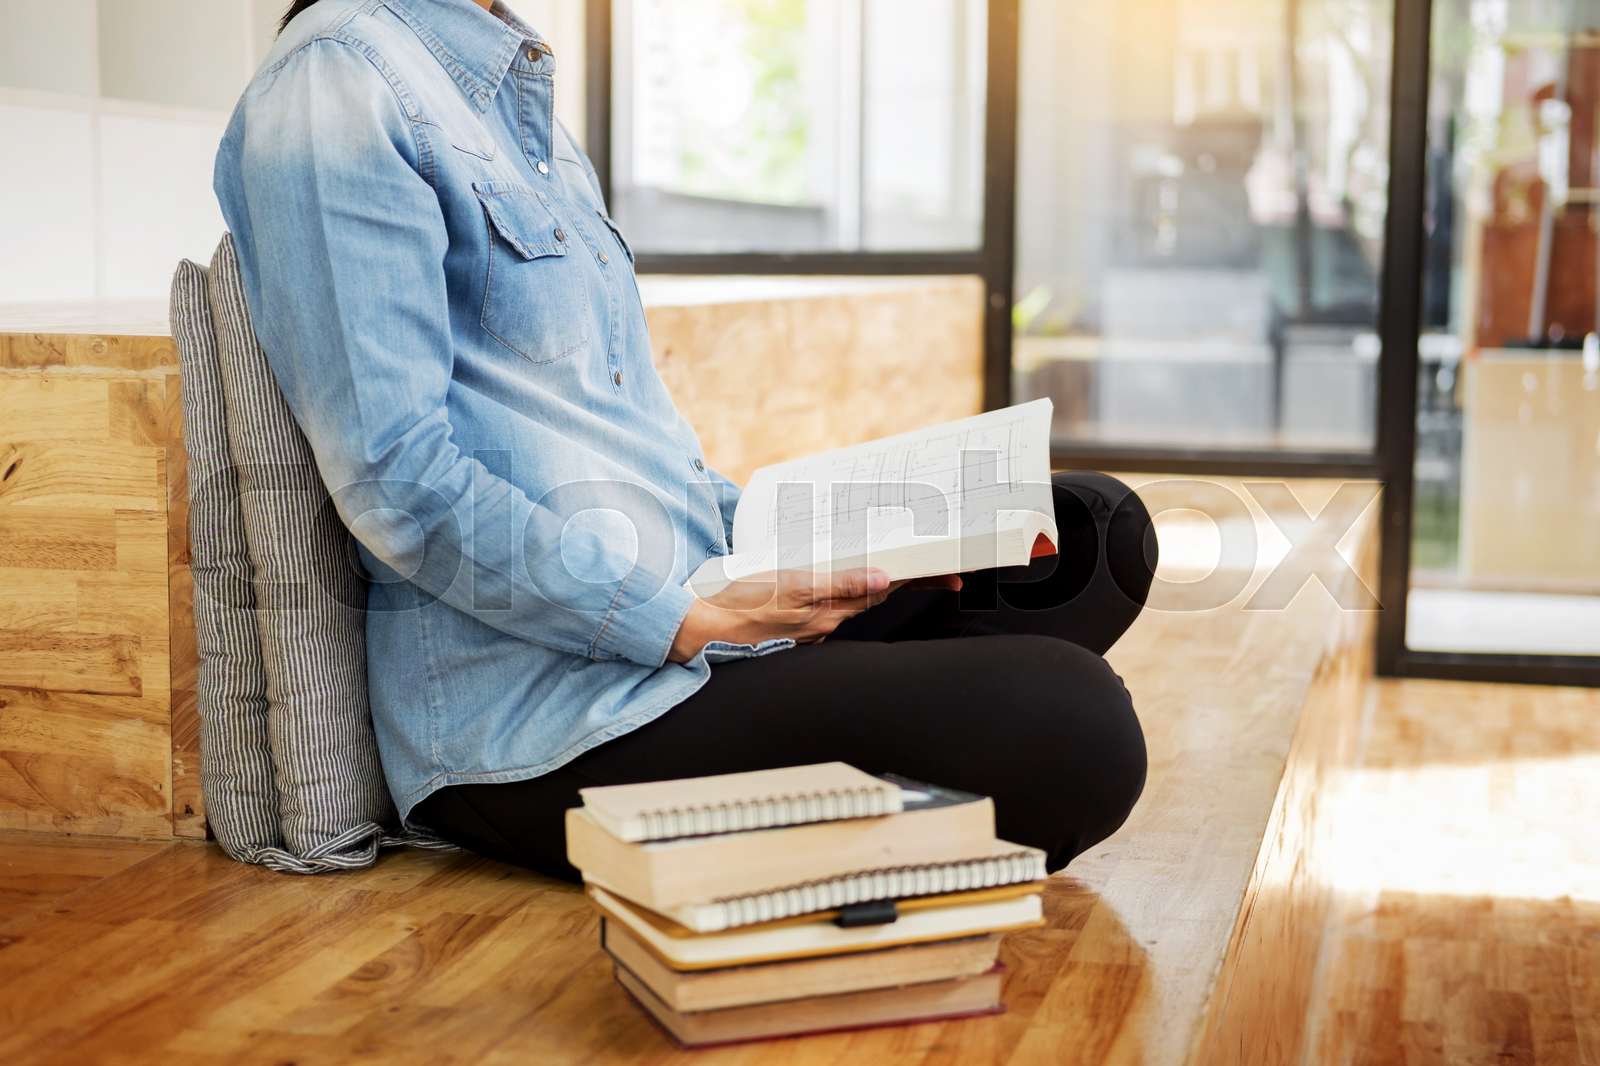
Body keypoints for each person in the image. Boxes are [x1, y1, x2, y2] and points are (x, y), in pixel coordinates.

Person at [215, 0, 1157, 882]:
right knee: (1075, 722)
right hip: (556, 711)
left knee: (1092, 535)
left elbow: (629, 433)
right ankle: (877, 741)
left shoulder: (507, 90)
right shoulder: (335, 81)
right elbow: (397, 481)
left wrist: (857, 548)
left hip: (706, 610)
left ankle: (857, 731)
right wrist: (685, 621)